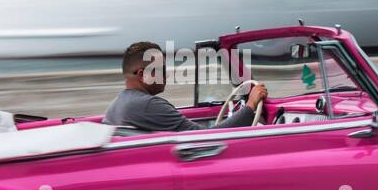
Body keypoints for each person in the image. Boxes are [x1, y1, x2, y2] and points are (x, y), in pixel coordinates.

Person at [104, 41, 268, 132]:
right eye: (161, 69)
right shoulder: (148, 105)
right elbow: (207, 137)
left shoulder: (116, 105)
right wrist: (250, 105)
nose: (167, 75)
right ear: (142, 74)